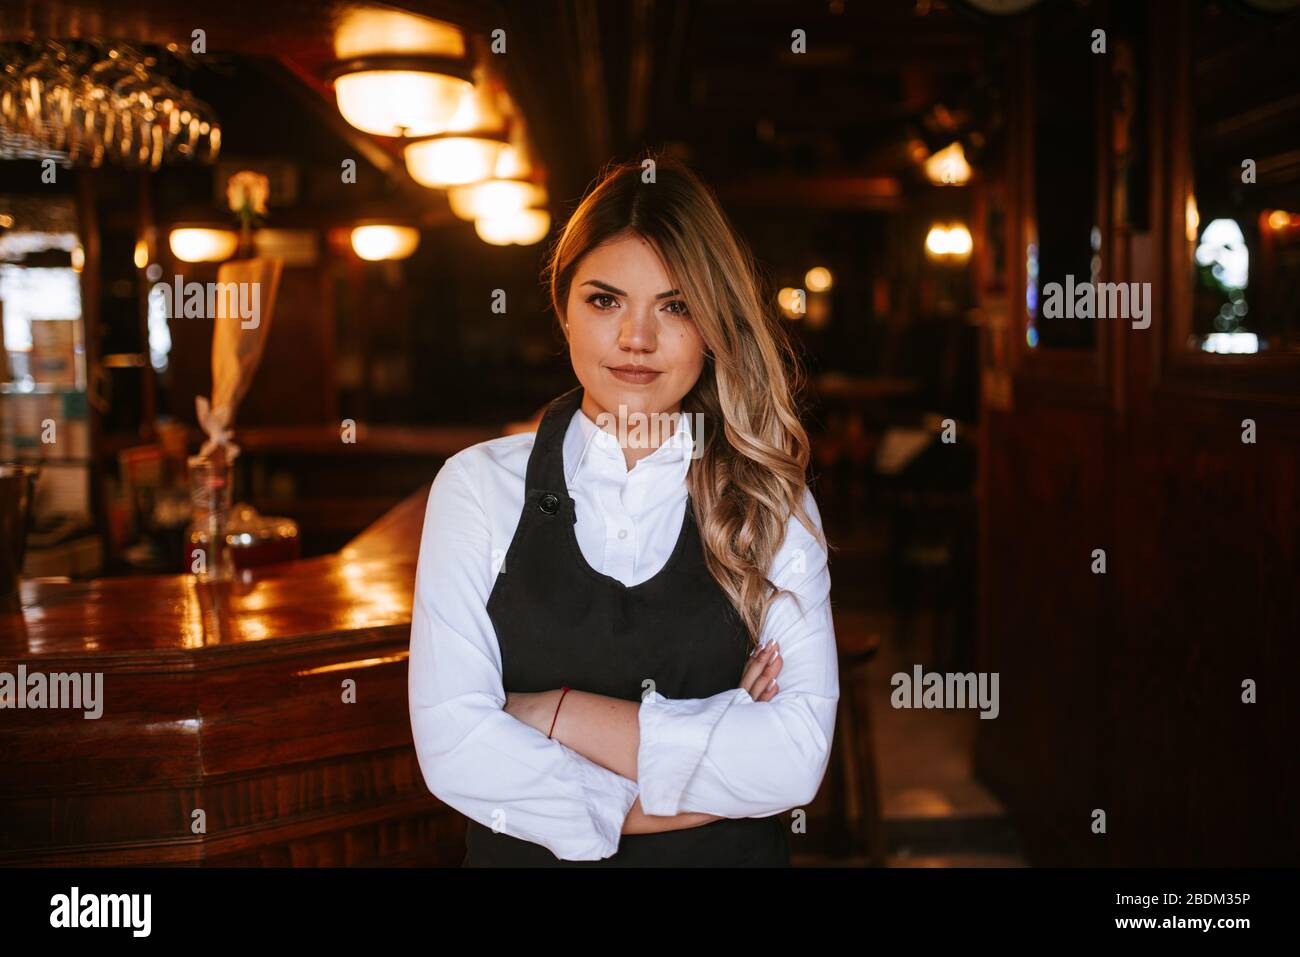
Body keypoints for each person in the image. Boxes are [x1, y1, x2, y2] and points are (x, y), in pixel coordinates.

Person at [408, 154, 839, 866]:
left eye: (676, 306)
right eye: (604, 300)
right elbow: (455, 749)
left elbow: (793, 761)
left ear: (713, 325)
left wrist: (548, 713)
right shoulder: (476, 486)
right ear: (564, 308)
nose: (637, 338)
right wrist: (718, 729)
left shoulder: (771, 499)